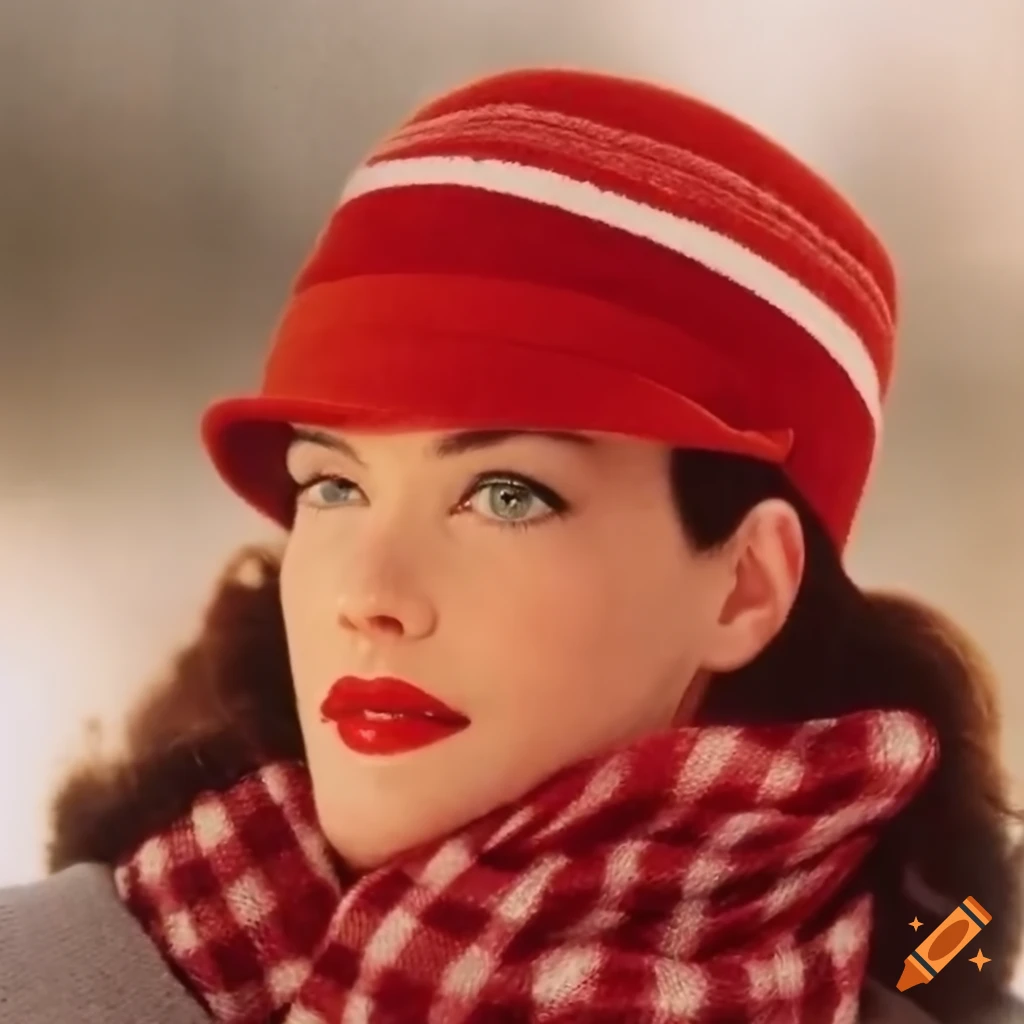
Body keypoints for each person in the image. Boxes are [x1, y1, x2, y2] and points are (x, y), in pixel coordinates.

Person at [2, 67, 1022, 1024]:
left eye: (503, 494)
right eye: (334, 485)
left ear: (745, 586)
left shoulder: (944, 977)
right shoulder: (43, 982)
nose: (371, 592)